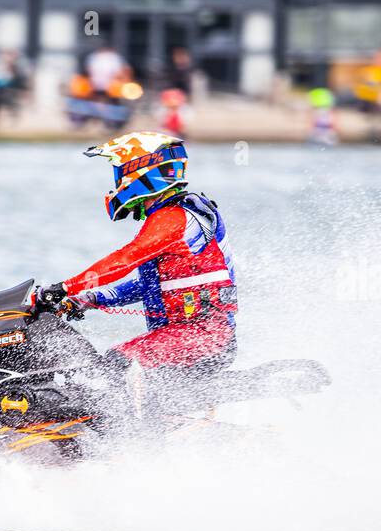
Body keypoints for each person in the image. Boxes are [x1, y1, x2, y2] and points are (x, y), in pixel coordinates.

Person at [34, 131, 236, 374]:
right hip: (194, 337)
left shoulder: (172, 219)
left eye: (120, 174)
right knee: (126, 365)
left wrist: (63, 288)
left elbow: (124, 260)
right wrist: (91, 298)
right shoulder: (173, 216)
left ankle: (112, 413)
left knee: (119, 360)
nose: (117, 183)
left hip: (202, 337)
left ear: (142, 172)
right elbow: (151, 285)